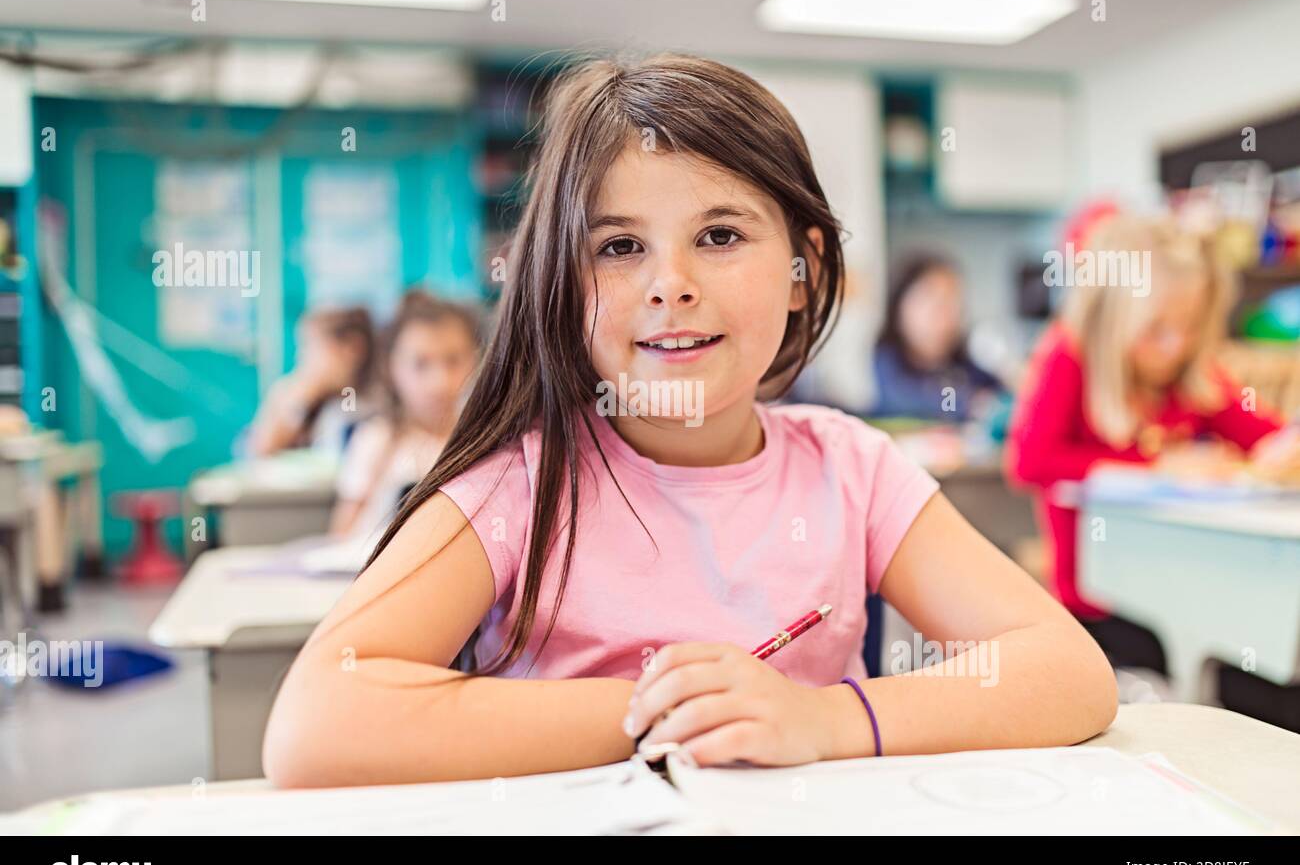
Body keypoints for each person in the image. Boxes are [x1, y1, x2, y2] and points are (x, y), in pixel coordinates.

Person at [263, 53, 1117, 788]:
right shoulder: (521, 483)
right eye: (620, 247)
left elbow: (1067, 672)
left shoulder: (851, 468)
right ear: (564, 284)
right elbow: (315, 722)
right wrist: (670, 710)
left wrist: (819, 721)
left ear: (799, 267)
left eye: (718, 235)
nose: (670, 283)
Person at [1005, 214, 1300, 671]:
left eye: (1189, 326)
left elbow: (1268, 436)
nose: (1174, 346)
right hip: (1099, 610)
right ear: (1112, 319)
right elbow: (1030, 462)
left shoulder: (1194, 378)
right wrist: (1160, 466)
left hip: (1191, 595)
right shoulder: (1070, 358)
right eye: (1156, 329)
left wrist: (1284, 446)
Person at [330, 291, 481, 541]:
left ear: (475, 360)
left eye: (453, 361)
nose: (439, 382)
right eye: (420, 364)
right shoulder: (377, 440)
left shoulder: (483, 442)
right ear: (392, 367)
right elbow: (341, 536)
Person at [870, 255, 1003, 420]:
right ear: (899, 305)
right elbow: (906, 399)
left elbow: (999, 391)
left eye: (953, 301)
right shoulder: (887, 359)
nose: (946, 313)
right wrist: (970, 403)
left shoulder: (961, 364)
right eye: (933, 300)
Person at [246, 307, 375, 458]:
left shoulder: (373, 400)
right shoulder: (289, 391)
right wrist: (301, 402)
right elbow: (259, 452)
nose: (301, 356)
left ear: (353, 347)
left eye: (311, 346)